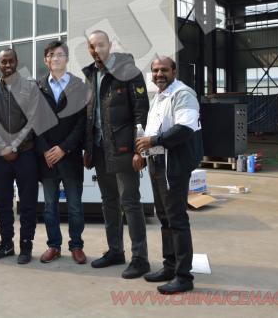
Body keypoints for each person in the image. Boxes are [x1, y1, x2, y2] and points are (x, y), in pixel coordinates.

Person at [82, 30, 151, 279]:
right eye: (92, 46)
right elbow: (90, 115)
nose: (96, 50)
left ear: (109, 45)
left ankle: (140, 259)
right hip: (101, 149)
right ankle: (115, 251)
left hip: (124, 149)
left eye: (100, 45)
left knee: (130, 203)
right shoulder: (91, 75)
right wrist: (88, 148)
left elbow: (141, 112)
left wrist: (139, 149)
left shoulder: (128, 71)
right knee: (109, 202)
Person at [135, 56, 203, 294]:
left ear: (174, 71)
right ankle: (170, 266)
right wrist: (143, 151)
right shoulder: (159, 96)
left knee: (177, 220)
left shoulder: (183, 95)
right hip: (157, 163)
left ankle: (184, 277)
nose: (159, 74)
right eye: (155, 70)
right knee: (164, 218)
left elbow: (184, 129)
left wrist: (153, 141)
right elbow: (152, 129)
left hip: (173, 165)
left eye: (164, 70)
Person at [0, 49, 50, 264]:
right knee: (2, 203)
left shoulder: (30, 87)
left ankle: (26, 246)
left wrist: (15, 146)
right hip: (0, 156)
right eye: (3, 62)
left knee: (28, 203)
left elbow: (33, 121)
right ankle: (6, 244)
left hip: (26, 154)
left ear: (17, 62)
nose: (8, 65)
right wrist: (3, 147)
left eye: (11, 61)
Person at [35, 41, 87, 264]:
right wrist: (46, 150)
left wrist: (64, 148)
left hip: (70, 156)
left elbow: (81, 122)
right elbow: (34, 122)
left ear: (66, 59)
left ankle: (76, 245)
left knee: (75, 206)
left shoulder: (78, 86)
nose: (55, 58)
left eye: (60, 55)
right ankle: (53, 245)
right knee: (50, 207)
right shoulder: (38, 87)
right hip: (47, 158)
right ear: (45, 60)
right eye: (51, 55)